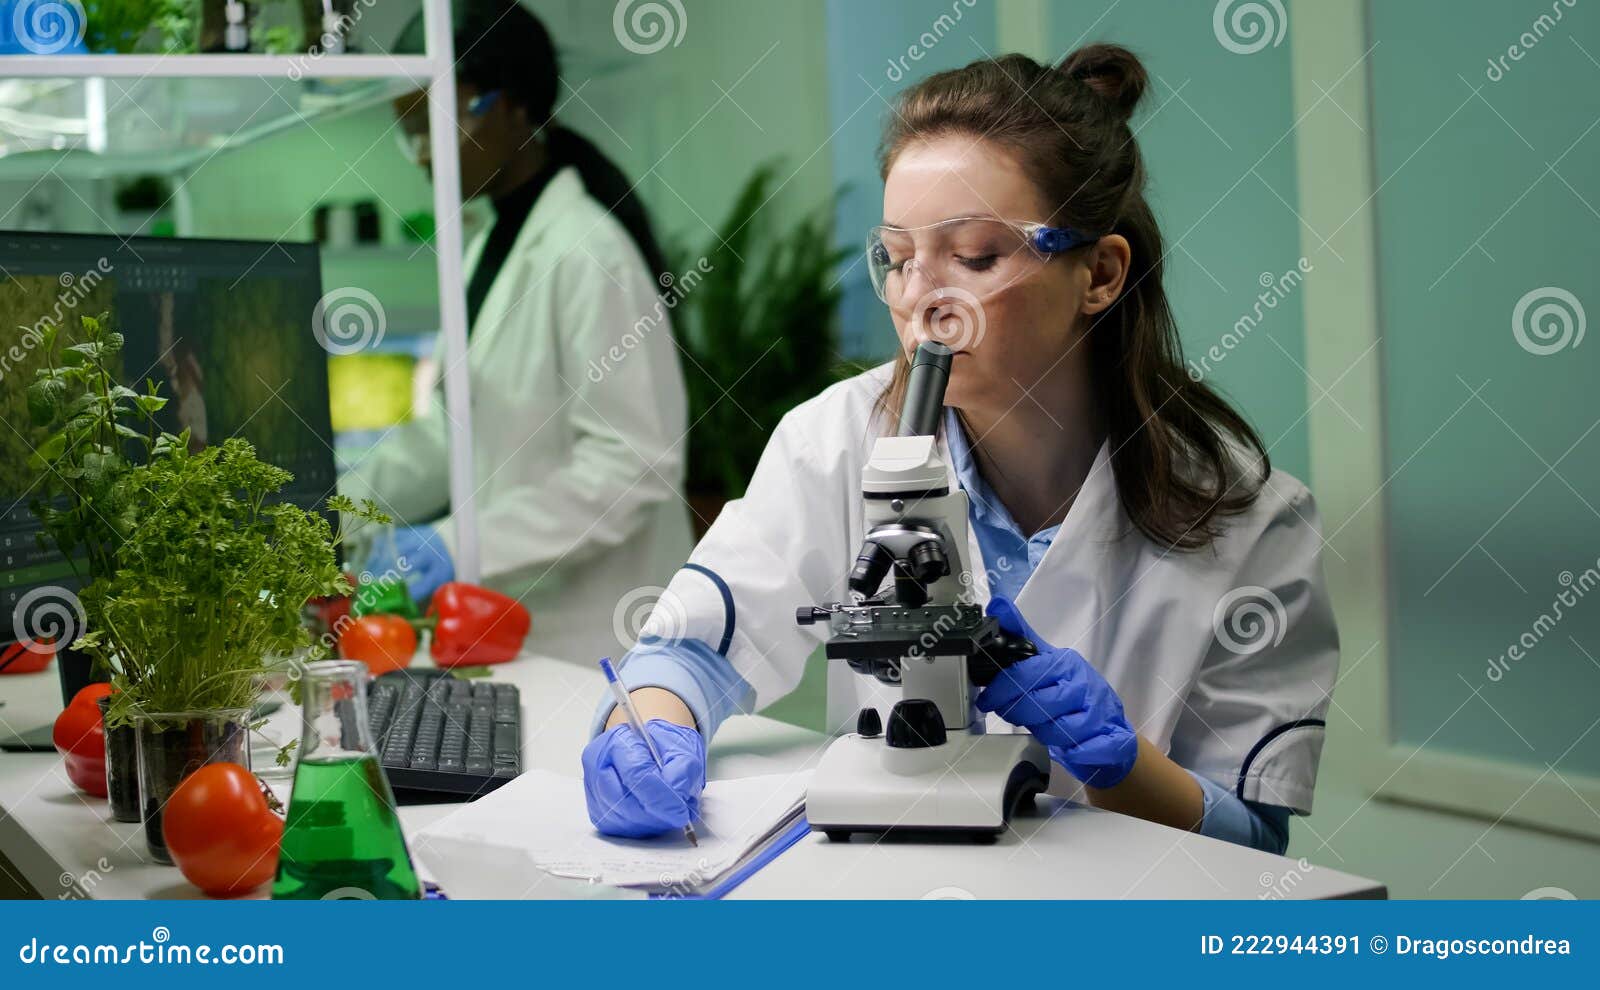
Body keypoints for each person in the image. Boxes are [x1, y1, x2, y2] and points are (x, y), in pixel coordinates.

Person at [579, 46, 1339, 854]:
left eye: (975, 256)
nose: (921, 300)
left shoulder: (1250, 520)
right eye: (899, 259)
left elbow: (1251, 843)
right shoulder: (834, 440)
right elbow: (690, 653)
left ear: (1099, 274)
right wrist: (651, 733)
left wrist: (1120, 763)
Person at [342, 1, 692, 662]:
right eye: (410, 135)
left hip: (600, 634)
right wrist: (341, 506)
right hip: (517, 626)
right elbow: (454, 430)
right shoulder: (488, 246)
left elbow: (632, 464)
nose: (423, 155)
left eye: (438, 125)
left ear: (514, 106)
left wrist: (459, 542)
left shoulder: (589, 252)